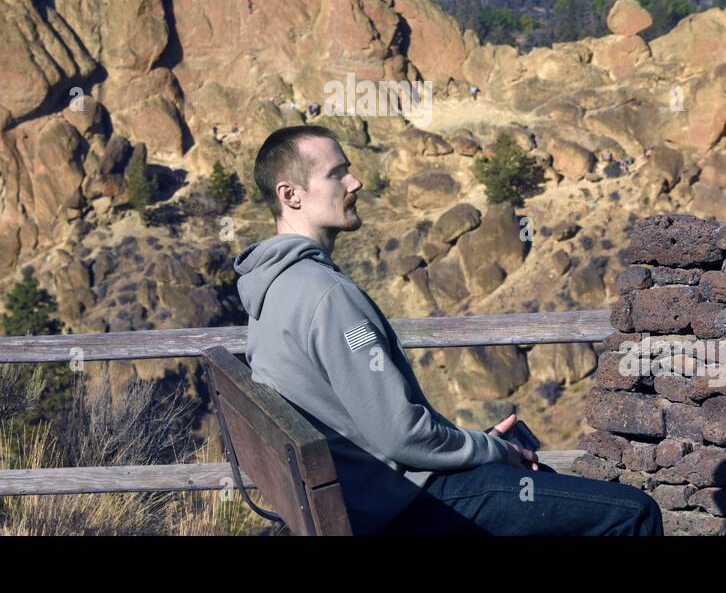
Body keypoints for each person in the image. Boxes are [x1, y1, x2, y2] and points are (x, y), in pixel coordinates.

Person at [233, 124, 663, 536]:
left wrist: (475, 445)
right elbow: (400, 434)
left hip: (362, 501)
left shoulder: (271, 291)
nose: (356, 182)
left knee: (551, 490)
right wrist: (493, 449)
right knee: (633, 513)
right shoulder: (327, 296)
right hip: (405, 505)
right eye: (337, 173)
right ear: (290, 195)